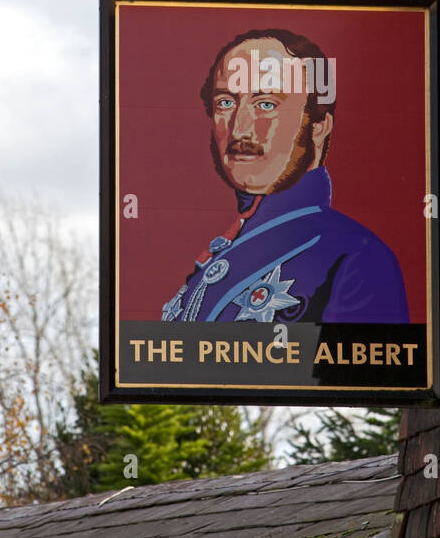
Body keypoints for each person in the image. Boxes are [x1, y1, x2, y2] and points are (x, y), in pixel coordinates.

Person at [161, 27, 408, 324]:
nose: (240, 128)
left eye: (266, 105)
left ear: (318, 126)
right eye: (225, 102)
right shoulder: (221, 250)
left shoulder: (357, 257)